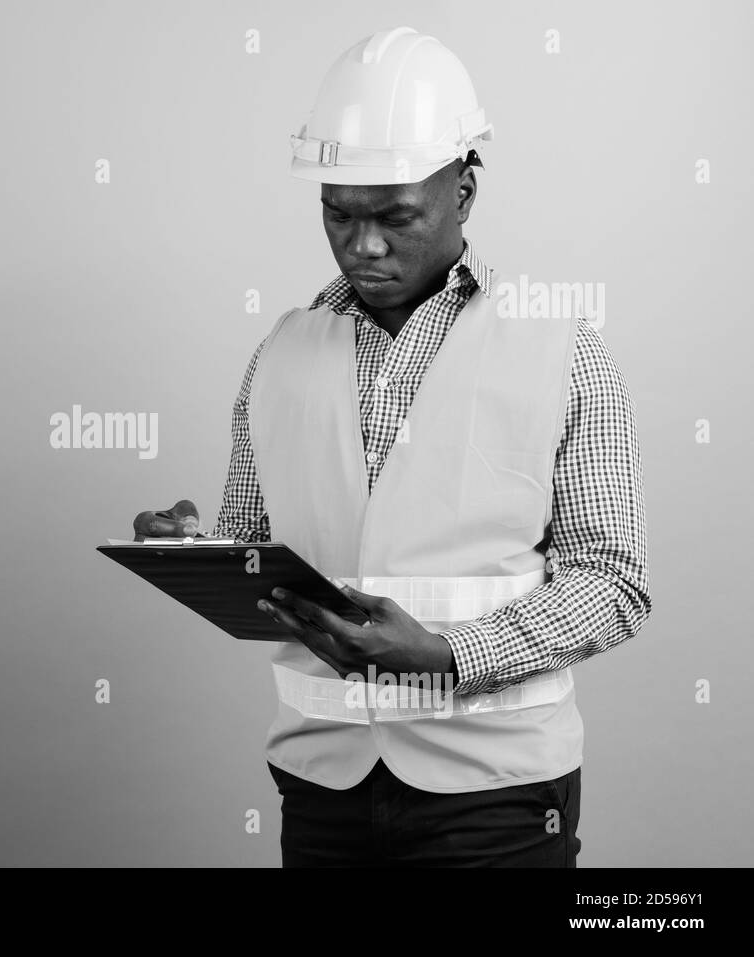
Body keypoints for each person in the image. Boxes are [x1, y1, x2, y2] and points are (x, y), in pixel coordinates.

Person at [132, 26, 650, 867]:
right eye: (339, 214)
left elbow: (616, 581)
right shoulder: (281, 352)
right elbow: (259, 553)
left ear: (465, 190)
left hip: (497, 797)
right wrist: (198, 552)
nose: (363, 245)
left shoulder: (561, 350)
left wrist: (449, 654)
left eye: (394, 216)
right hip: (320, 783)